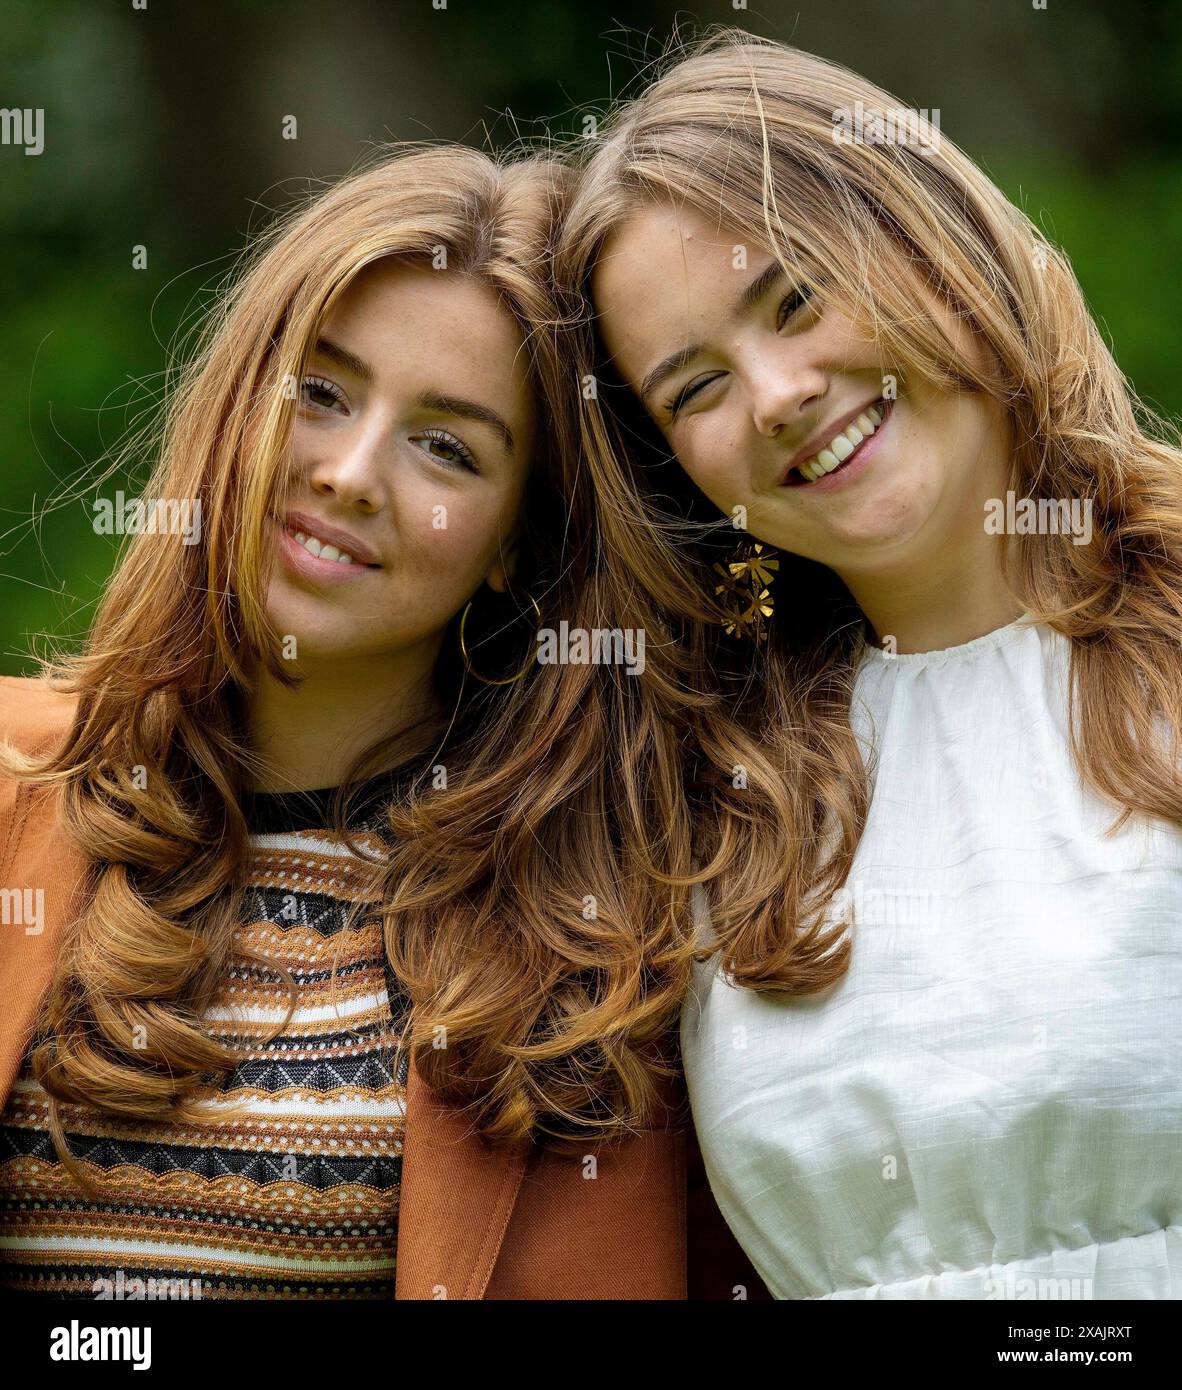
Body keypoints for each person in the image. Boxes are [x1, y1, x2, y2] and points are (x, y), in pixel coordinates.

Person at [0, 143, 763, 1300]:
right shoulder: (14, 790)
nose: (353, 473)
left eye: (446, 446)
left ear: (515, 540)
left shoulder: (611, 929)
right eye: (320, 392)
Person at [554, 31, 1182, 1299]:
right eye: (695, 390)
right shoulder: (702, 798)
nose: (778, 392)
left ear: (927, 236)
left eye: (793, 301)